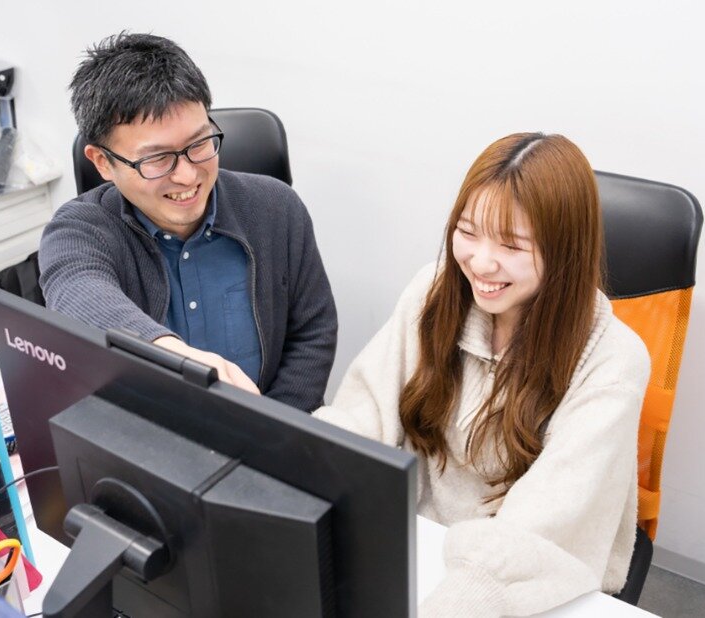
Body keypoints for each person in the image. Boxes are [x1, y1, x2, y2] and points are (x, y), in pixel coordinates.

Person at [315, 133, 650, 617]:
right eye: (468, 232)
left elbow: (544, 524)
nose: (481, 262)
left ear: (565, 251)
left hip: (526, 580)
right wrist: (303, 471)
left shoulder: (613, 358)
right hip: (422, 544)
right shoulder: (432, 291)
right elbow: (362, 419)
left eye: (511, 244)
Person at [39, 33, 337, 411]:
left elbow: (313, 335)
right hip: (151, 431)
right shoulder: (78, 230)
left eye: (199, 144)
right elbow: (77, 294)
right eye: (157, 159)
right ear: (103, 163)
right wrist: (171, 356)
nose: (187, 176)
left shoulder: (277, 208)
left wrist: (273, 429)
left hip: (273, 428)